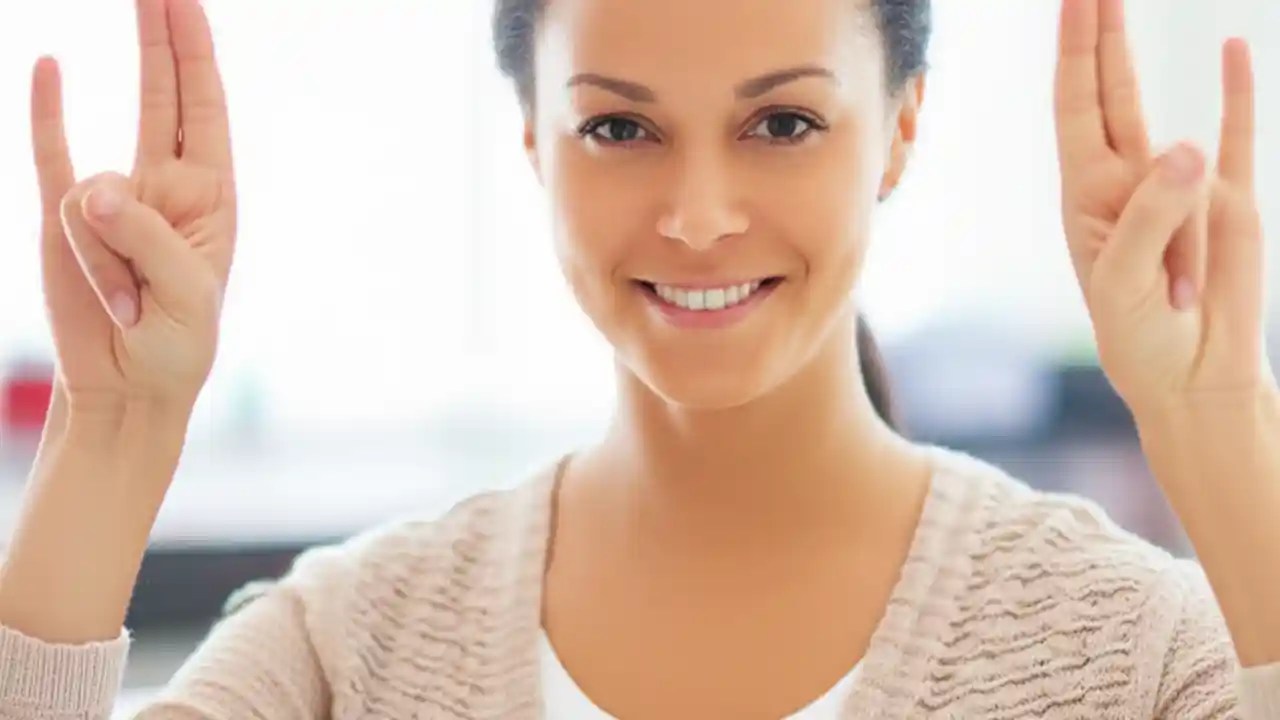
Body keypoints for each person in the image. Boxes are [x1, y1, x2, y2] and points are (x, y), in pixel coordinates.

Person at [1, 0, 1278, 716]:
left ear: (898, 133)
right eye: (618, 126)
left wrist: (1215, 418)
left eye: (782, 122)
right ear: (529, 144)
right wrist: (112, 433)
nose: (699, 214)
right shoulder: (355, 647)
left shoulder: (1126, 650)